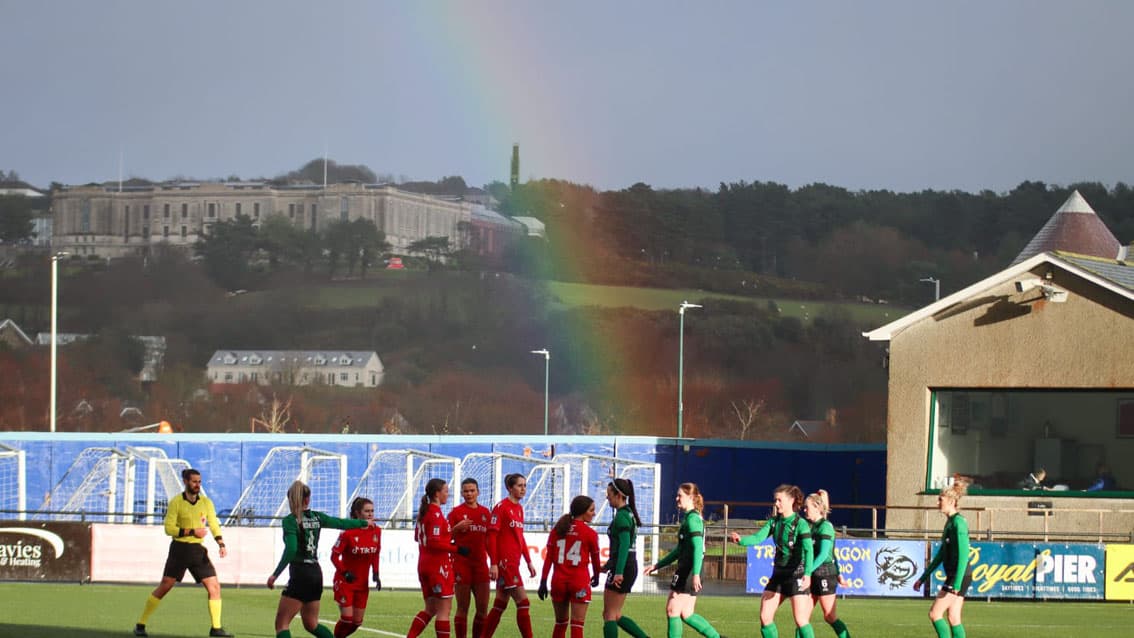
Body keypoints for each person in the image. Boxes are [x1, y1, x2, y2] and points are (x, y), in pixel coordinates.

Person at [134, 468, 232, 638]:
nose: (197, 485)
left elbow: (214, 524)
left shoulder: (206, 502)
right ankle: (140, 624)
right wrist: (192, 531)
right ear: (185, 482)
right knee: (165, 586)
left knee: (214, 587)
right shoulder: (176, 502)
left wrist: (221, 543)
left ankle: (216, 628)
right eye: (194, 482)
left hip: (197, 551)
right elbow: (169, 528)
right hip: (179, 550)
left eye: (199, 482)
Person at [267, 481, 370, 638]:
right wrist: (362, 522)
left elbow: (291, 549)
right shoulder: (317, 517)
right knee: (311, 623)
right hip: (315, 573)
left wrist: (275, 574)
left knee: (282, 624)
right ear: (308, 500)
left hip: (300, 572)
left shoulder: (290, 520)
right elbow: (340, 523)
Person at [729, 484, 815, 638]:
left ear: (791, 500)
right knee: (765, 617)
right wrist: (741, 540)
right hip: (779, 575)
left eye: (779, 500)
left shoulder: (800, 524)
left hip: (797, 575)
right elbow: (757, 537)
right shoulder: (774, 522)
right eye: (775, 500)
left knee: (801, 620)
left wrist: (807, 574)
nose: (776, 504)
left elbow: (809, 550)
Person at [644, 483, 723, 638]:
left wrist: (695, 574)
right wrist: (657, 565)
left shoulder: (693, 519)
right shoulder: (690, 517)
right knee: (687, 613)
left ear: (691, 498)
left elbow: (698, 548)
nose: (677, 498)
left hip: (689, 571)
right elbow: (679, 550)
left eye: (680, 495)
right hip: (689, 569)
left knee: (672, 610)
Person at [407, 478, 471, 638]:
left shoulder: (424, 512)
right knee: (444, 611)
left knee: (430, 609)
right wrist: (456, 548)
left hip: (424, 565)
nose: (447, 495)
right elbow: (434, 543)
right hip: (438, 567)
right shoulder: (435, 513)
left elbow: (419, 537)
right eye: (446, 491)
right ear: (437, 493)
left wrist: (450, 533)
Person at [481, 474, 537, 638]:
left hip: (514, 562)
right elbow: (491, 536)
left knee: (500, 604)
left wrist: (528, 561)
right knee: (523, 602)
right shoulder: (501, 507)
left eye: (525, 485)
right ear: (510, 488)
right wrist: (494, 563)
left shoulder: (519, 509)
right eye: (519, 485)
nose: (523, 489)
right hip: (505, 564)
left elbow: (520, 537)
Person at [538, 495, 602, 638]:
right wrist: (596, 576)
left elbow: (549, 558)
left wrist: (543, 581)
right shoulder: (590, 533)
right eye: (591, 510)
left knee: (560, 623)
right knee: (577, 625)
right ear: (583, 511)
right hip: (579, 582)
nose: (594, 513)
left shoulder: (558, 529)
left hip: (558, 581)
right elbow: (596, 560)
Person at [913, 482, 972, 638]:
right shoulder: (950, 522)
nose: (937, 503)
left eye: (940, 499)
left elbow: (964, 554)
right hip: (958, 575)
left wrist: (957, 583)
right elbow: (941, 555)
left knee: (935, 613)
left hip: (959, 575)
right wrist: (923, 578)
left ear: (951, 502)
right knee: (953, 618)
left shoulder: (958, 523)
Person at [602, 478, 650, 638]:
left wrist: (618, 572)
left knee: (609, 615)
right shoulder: (627, 513)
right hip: (626, 565)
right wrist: (609, 565)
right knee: (614, 614)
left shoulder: (622, 516)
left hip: (624, 567)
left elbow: (624, 546)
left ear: (618, 495)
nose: (607, 497)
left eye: (609, 494)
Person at [800, 490, 851, 638]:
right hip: (813, 573)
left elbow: (824, 555)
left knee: (829, 616)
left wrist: (807, 572)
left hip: (825, 574)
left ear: (816, 507)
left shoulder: (825, 526)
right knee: (802, 619)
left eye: (806, 507)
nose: (804, 510)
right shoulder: (812, 526)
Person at [330, 497, 382, 638]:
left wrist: (376, 573)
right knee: (347, 618)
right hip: (345, 581)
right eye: (367, 511)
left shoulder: (377, 531)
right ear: (358, 514)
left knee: (357, 622)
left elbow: (376, 554)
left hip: (362, 583)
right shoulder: (348, 532)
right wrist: (345, 572)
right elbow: (334, 556)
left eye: (372, 511)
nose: (371, 514)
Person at [449, 478, 493, 638]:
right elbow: (444, 538)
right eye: (466, 491)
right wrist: (456, 528)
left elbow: (490, 541)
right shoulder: (455, 513)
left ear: (478, 492)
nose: (469, 494)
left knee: (482, 609)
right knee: (462, 608)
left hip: (481, 565)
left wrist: (494, 563)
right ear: (461, 493)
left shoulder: (485, 513)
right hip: (462, 565)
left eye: (472, 490)